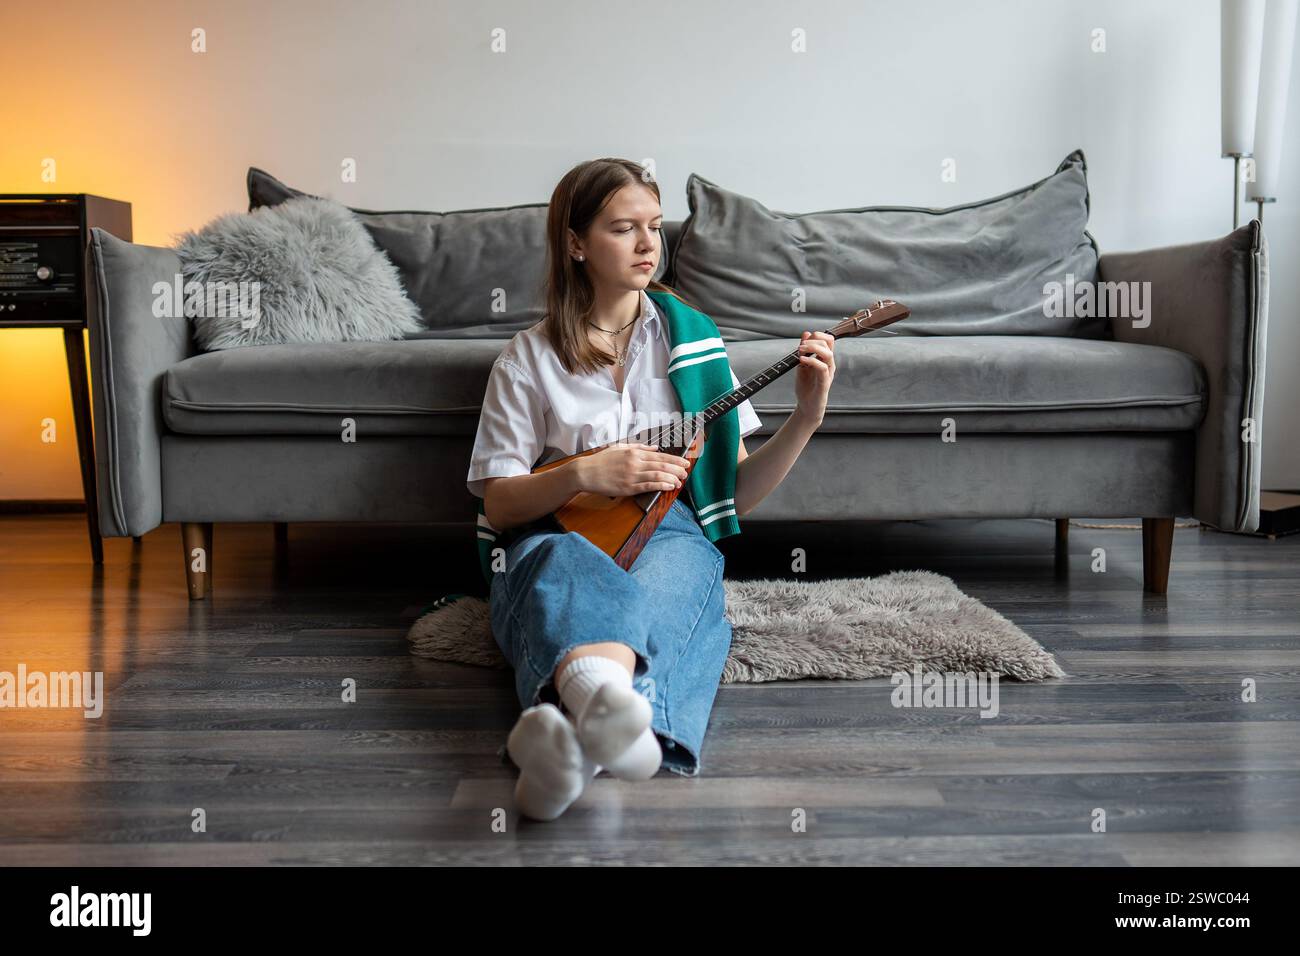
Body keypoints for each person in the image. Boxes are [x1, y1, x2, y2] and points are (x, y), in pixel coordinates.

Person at [466, 157, 836, 820]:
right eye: (622, 228)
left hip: (669, 529)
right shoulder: (527, 357)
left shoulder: (693, 341)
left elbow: (737, 493)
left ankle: (572, 745)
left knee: (677, 575)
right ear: (576, 243)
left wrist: (806, 416)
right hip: (557, 533)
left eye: (653, 227)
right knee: (563, 565)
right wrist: (583, 471)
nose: (646, 245)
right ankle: (627, 741)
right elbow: (499, 502)